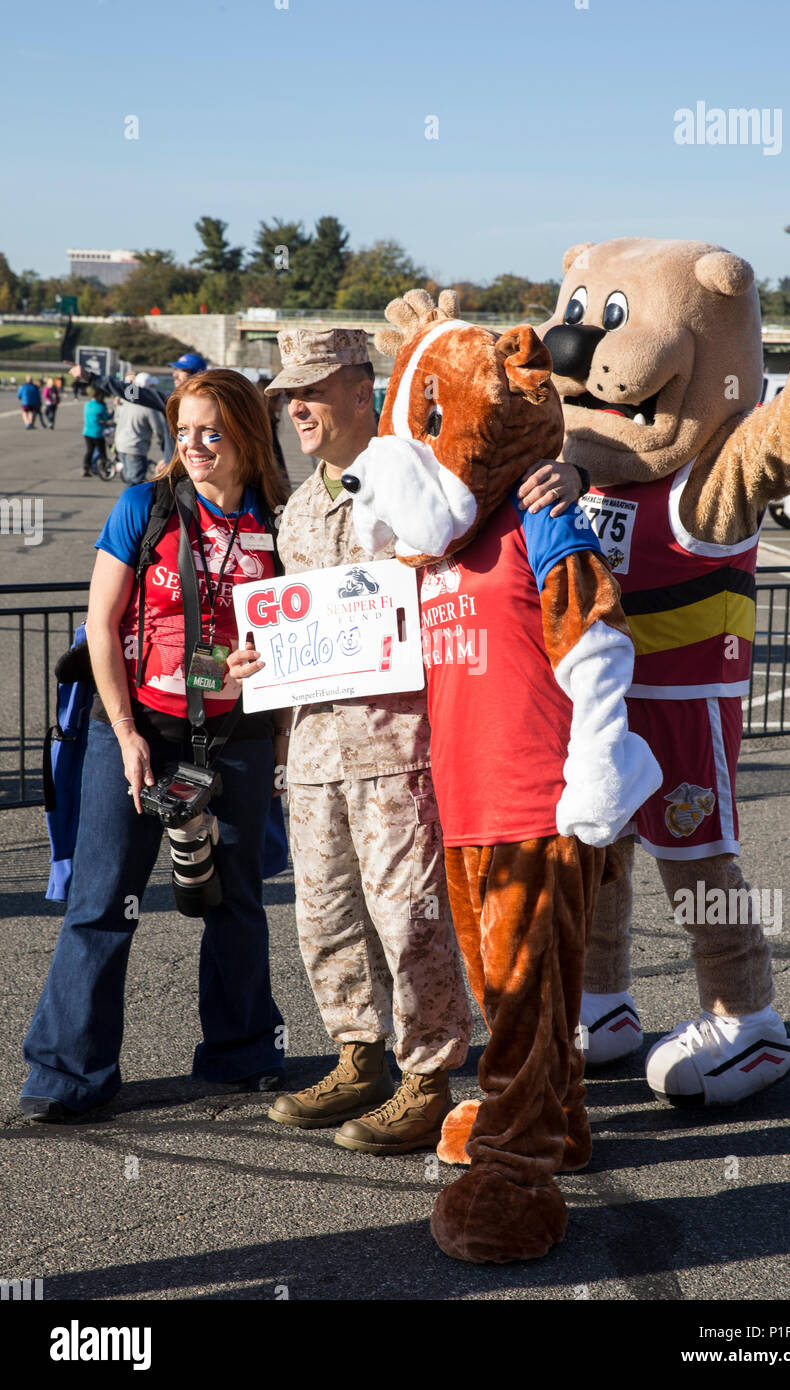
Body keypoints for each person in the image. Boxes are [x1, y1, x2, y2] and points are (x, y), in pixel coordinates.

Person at [229, 327, 584, 1155]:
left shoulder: (413, 483)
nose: (298, 409)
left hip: (401, 745)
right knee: (323, 916)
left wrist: (577, 473)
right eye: (289, 397)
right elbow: (290, 623)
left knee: (409, 919)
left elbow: (498, 488)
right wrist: (255, 661)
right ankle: (359, 1055)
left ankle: (428, 1077)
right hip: (316, 749)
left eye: (313, 391)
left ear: (363, 390)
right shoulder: (297, 509)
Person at [20, 369, 291, 1122]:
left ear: (247, 435)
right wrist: (129, 733)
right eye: (185, 432)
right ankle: (68, 1072)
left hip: (235, 737)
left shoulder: (282, 519)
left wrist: (280, 743)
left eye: (213, 431)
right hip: (132, 729)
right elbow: (101, 627)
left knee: (235, 901)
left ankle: (242, 1052)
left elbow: (296, 637)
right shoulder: (145, 506)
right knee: (104, 902)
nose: (196, 446)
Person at [114, 372, 172, 485]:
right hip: (135, 447)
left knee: (129, 479)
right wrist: (166, 448)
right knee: (134, 483)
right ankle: (127, 503)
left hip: (121, 444)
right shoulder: (148, 407)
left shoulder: (125, 400)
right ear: (148, 387)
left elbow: (116, 419)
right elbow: (158, 429)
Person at [81, 386, 110, 477]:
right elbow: (106, 417)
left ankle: (86, 468)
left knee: (89, 451)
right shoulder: (101, 406)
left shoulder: (87, 404)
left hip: (87, 431)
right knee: (102, 452)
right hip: (97, 432)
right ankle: (105, 469)